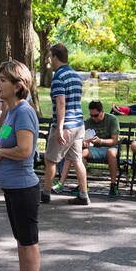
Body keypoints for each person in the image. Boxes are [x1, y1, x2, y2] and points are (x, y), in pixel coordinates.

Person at [0, 60, 41, 271]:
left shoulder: (24, 112)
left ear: (18, 86)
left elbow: (25, 150)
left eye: (3, 80)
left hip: (24, 186)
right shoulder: (9, 111)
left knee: (29, 240)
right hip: (11, 185)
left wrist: (0, 154)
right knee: (20, 238)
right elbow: (3, 142)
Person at [41, 44, 89, 205]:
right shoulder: (75, 76)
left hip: (66, 125)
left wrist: (60, 128)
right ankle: (84, 195)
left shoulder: (58, 77)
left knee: (50, 160)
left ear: (55, 56)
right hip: (78, 124)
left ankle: (46, 194)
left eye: (50, 57)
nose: (50, 60)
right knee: (77, 160)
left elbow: (61, 103)